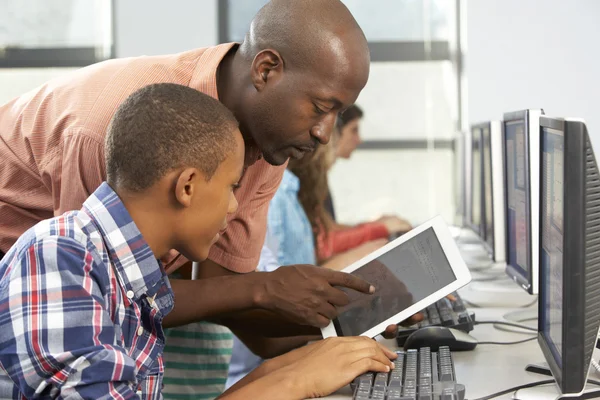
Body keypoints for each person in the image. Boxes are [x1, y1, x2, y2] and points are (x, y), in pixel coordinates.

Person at [0, 1, 376, 395]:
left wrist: (349, 327)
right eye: (320, 107)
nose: (324, 134)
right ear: (266, 70)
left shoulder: (269, 140)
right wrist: (267, 299)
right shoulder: (109, 135)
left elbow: (223, 302)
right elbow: (97, 289)